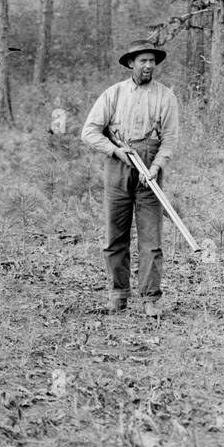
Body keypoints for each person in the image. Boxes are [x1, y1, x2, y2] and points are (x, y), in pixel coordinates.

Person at [81, 39, 181, 317]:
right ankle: (118, 295)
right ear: (130, 64)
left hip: (150, 167)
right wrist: (115, 150)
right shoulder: (112, 94)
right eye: (143, 61)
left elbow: (170, 141)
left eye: (152, 61)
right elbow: (89, 132)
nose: (148, 65)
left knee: (151, 238)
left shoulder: (165, 96)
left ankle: (151, 299)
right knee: (115, 235)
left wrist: (155, 167)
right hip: (119, 165)